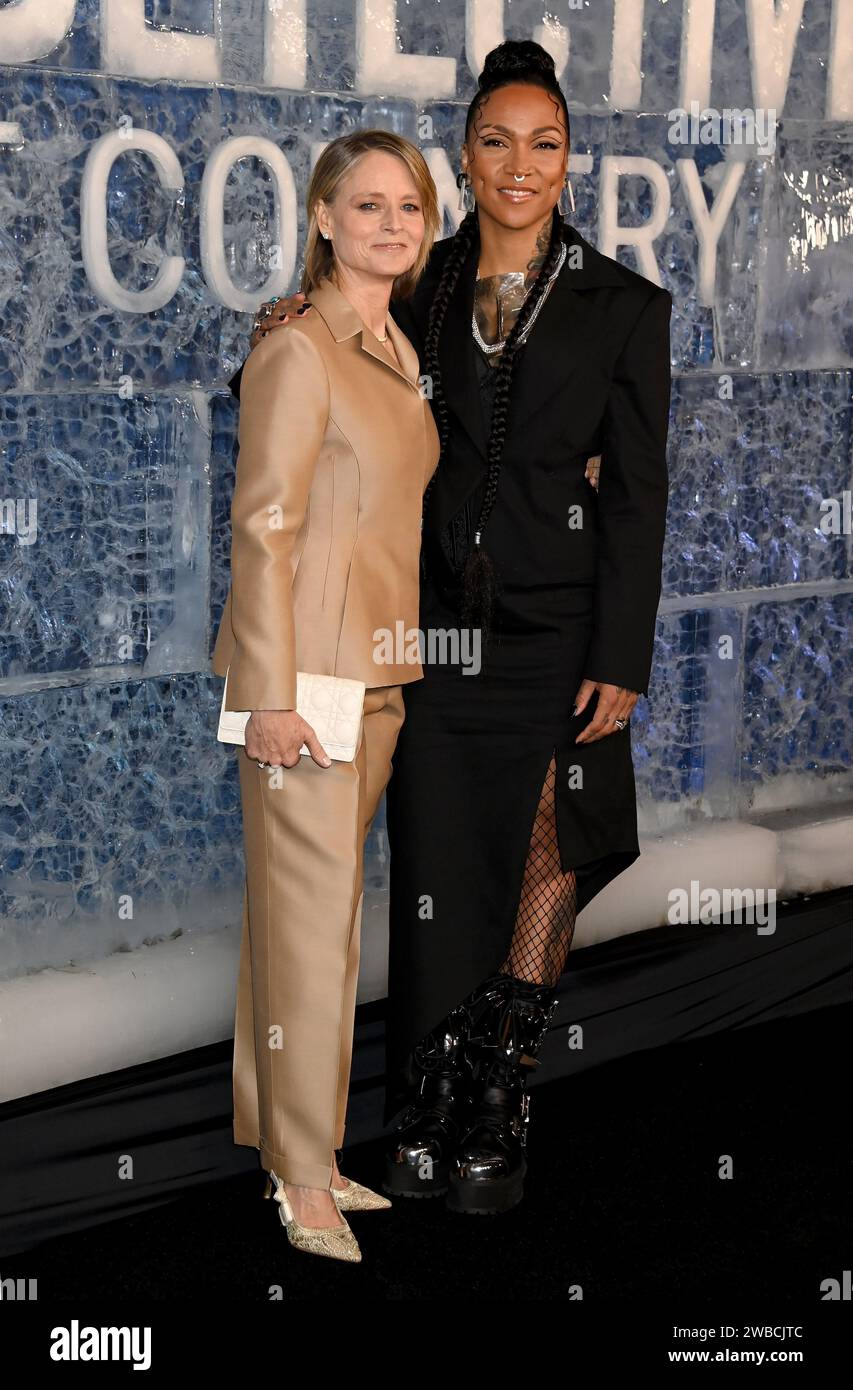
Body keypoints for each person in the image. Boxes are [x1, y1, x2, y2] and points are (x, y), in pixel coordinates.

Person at [231, 39, 672, 1216]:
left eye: (545, 143)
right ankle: (420, 1096)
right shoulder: (416, 280)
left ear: (570, 160)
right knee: (435, 857)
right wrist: (288, 313)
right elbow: (316, 370)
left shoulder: (626, 308)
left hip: (563, 631)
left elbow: (637, 493)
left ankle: (495, 1094)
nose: (519, 165)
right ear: (464, 155)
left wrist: (621, 657)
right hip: (427, 632)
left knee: (544, 847)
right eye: (494, 141)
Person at [212, 129, 440, 1260]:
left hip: (375, 672)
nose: (390, 223)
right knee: (310, 939)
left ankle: (299, 1150)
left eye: (408, 206)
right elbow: (262, 529)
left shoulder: (388, 342)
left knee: (308, 933)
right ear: (323, 217)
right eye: (367, 205)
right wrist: (267, 694)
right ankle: (301, 1177)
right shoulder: (301, 347)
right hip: (308, 685)